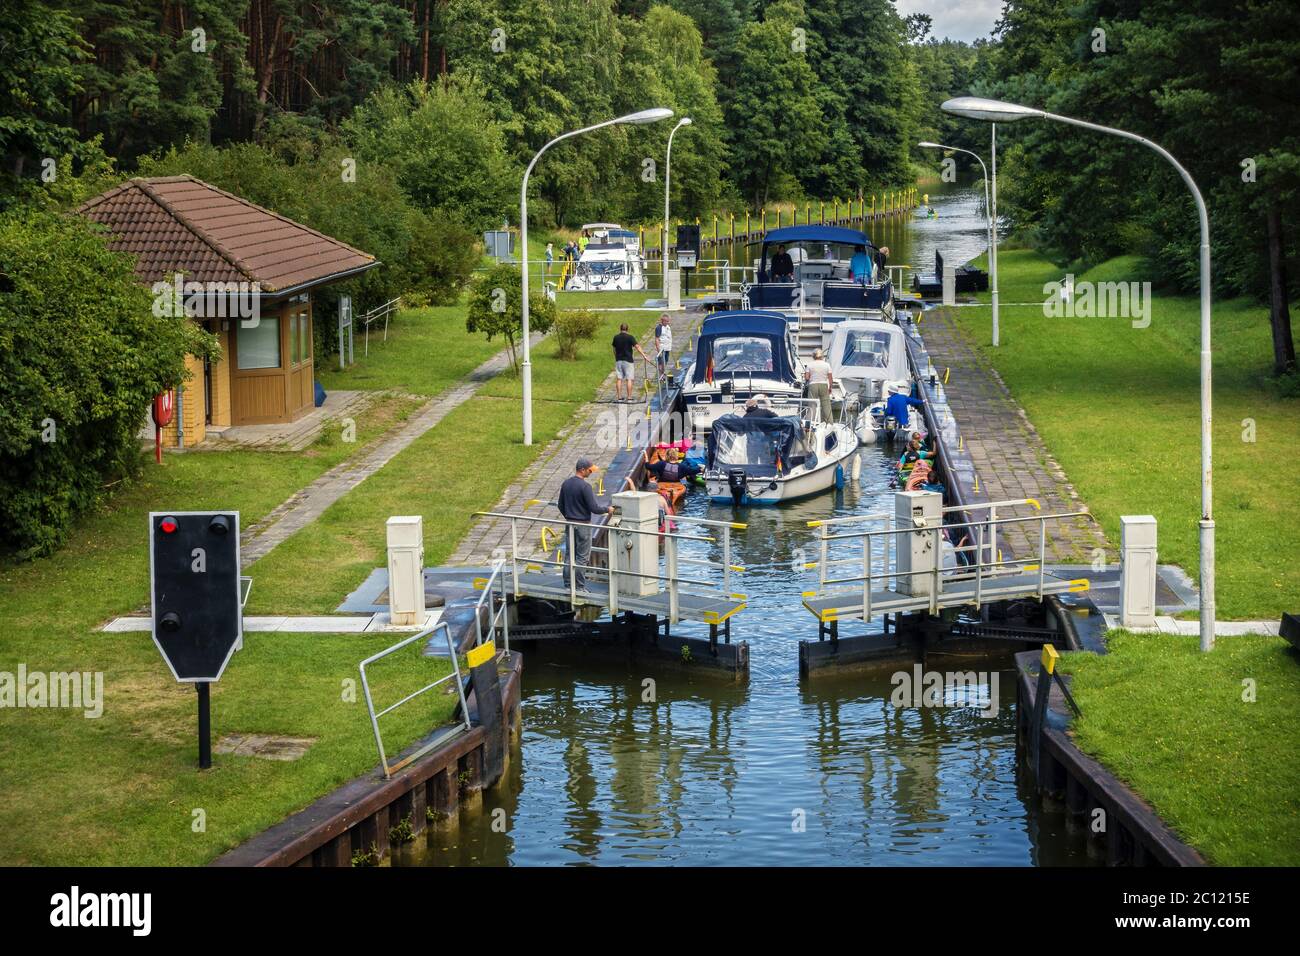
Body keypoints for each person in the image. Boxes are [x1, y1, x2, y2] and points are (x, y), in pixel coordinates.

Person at [558, 458, 613, 591]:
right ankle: (580, 587)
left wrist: (569, 516)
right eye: (589, 470)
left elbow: (560, 505)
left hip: (570, 524)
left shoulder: (566, 484)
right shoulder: (585, 487)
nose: (591, 472)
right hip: (583, 525)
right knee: (582, 558)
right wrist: (608, 509)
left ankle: (567, 586)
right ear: (582, 470)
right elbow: (594, 508)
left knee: (569, 556)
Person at [612, 322, 651, 402]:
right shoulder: (630, 337)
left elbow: (614, 349)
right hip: (628, 361)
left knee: (619, 379)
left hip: (618, 360)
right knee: (629, 379)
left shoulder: (616, 337)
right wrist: (644, 355)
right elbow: (637, 346)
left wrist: (616, 356)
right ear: (627, 329)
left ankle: (619, 397)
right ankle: (629, 397)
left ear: (620, 329)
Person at [804, 349, 834, 423]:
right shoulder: (827, 365)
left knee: (812, 405)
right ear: (822, 356)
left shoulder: (810, 365)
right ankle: (829, 423)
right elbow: (830, 378)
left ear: (813, 356)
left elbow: (807, 377)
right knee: (826, 405)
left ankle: (810, 424)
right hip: (823, 385)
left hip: (813, 385)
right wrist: (830, 387)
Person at [653, 313, 673, 379]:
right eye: (666, 321)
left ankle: (663, 374)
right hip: (662, 349)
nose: (668, 322)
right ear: (662, 320)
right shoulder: (659, 328)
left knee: (665, 361)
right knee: (661, 362)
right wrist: (659, 350)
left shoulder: (667, 327)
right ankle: (660, 376)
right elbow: (657, 339)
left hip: (667, 348)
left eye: (668, 321)